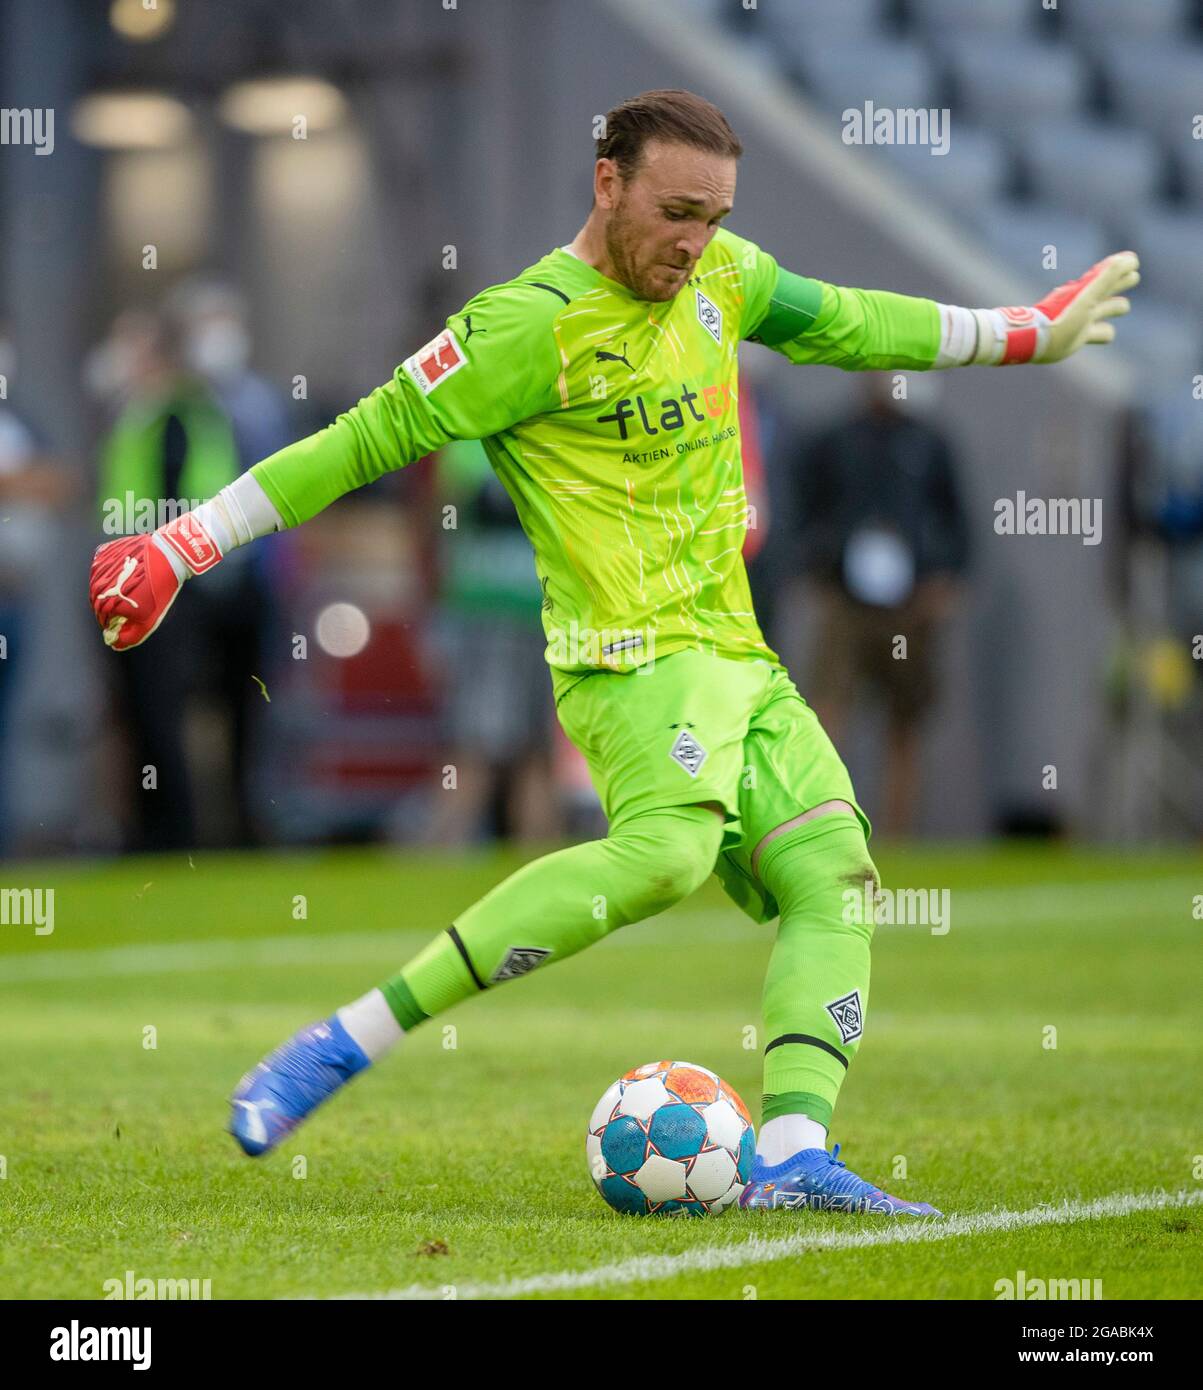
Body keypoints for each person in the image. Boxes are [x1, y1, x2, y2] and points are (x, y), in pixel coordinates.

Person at [89, 89, 1139, 1216]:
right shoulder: (519, 328)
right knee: (665, 859)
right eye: (677, 211)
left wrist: (1027, 333)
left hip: (739, 653)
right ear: (608, 183)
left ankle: (790, 1154)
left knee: (833, 871)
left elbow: (852, 319)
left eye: (716, 216)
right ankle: (343, 1041)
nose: (696, 242)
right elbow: (354, 444)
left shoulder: (724, 278)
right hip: (628, 659)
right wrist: (185, 543)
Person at [795, 374, 970, 835]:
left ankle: (897, 833)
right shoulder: (835, 440)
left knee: (905, 721)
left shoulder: (929, 444)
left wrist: (945, 579)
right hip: (847, 602)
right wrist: (820, 566)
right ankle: (822, 824)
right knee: (829, 710)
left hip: (909, 606)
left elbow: (957, 520)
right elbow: (806, 508)